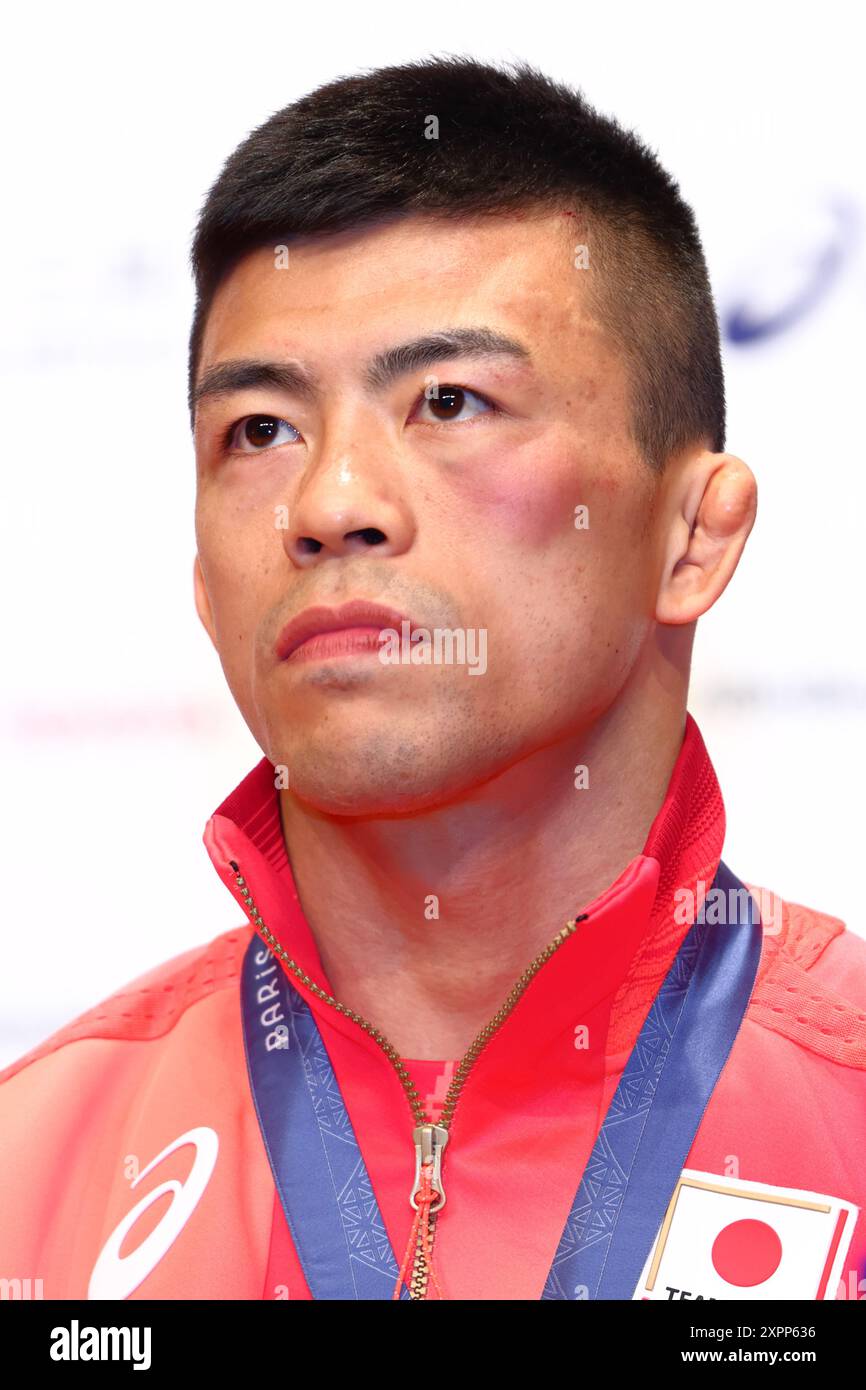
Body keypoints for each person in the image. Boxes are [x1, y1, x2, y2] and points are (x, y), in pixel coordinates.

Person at [1, 56, 864, 1303]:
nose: (329, 502)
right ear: (202, 578)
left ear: (692, 536)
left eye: (448, 400)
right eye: (260, 430)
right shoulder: (37, 1183)